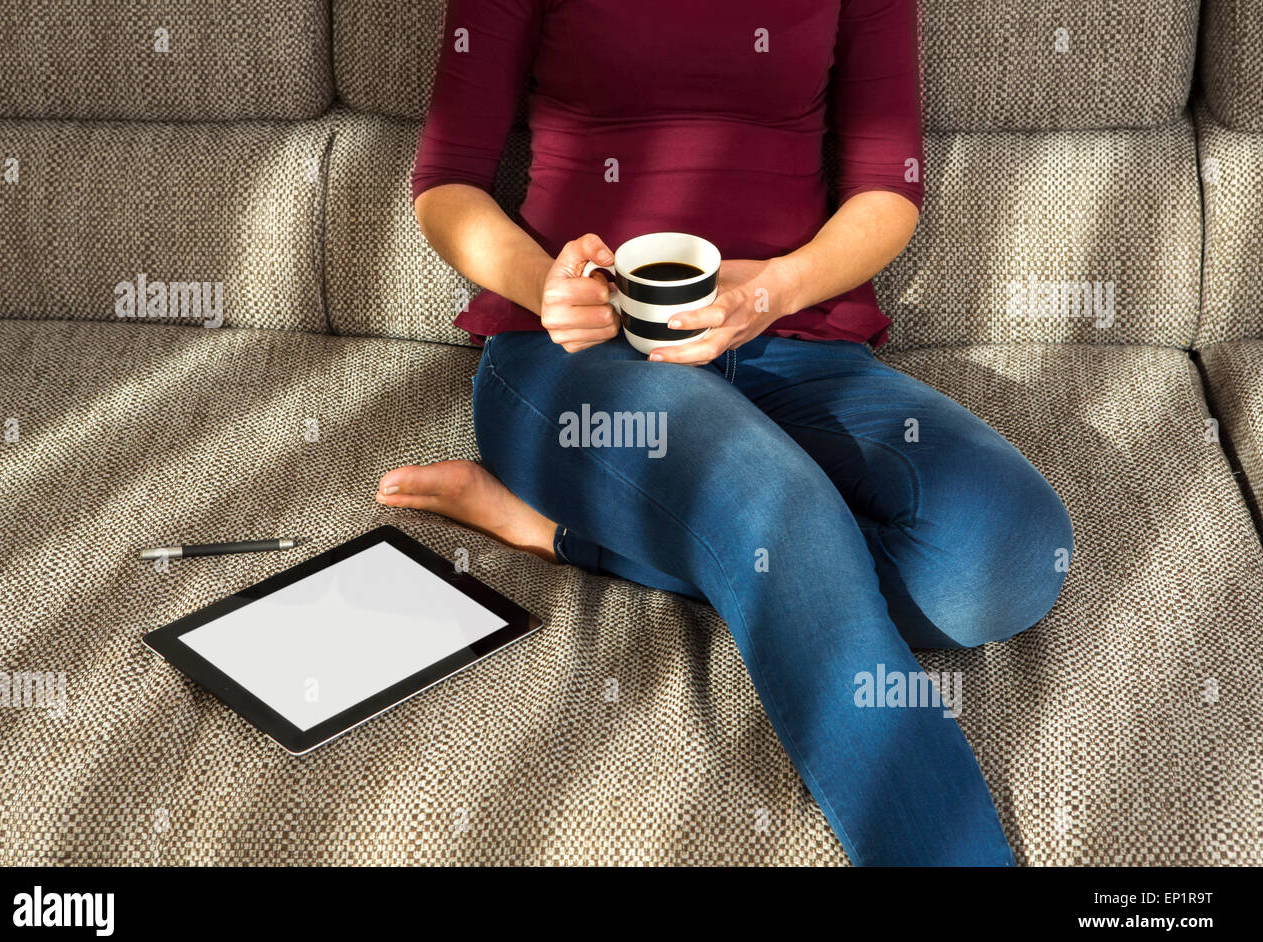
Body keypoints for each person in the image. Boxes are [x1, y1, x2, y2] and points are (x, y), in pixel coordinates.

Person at [376, 0, 1073, 865]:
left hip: (794, 345)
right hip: (580, 357)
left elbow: (887, 191)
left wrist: (770, 292)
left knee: (1002, 556)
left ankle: (558, 532)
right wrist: (542, 282)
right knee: (777, 511)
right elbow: (445, 180)